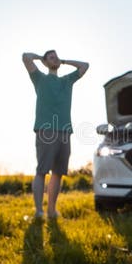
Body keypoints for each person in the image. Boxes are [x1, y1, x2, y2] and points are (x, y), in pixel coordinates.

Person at [22, 49, 89, 219]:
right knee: (42, 171)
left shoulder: (67, 80)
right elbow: (26, 57)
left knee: (58, 173)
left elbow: (85, 66)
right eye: (52, 57)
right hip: (46, 130)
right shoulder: (39, 78)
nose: (55, 58)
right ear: (45, 62)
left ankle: (51, 211)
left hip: (65, 131)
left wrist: (63, 61)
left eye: (56, 56)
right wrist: (41, 59)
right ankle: (39, 211)